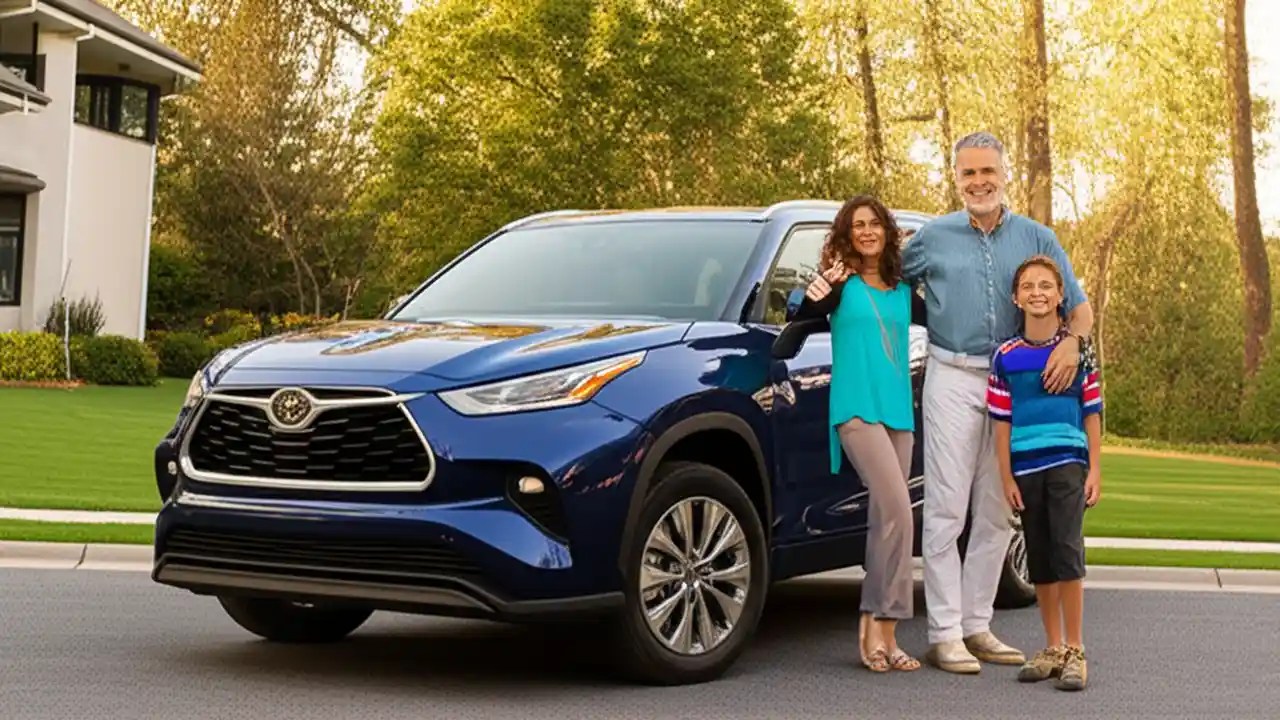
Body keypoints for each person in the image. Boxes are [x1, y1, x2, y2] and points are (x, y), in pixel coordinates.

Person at [900, 131, 1095, 674]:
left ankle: (976, 625)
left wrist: (1072, 343)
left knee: (997, 509)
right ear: (956, 177)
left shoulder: (1037, 237)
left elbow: (1077, 308)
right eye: (968, 174)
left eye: (988, 172)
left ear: (1004, 175)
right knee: (945, 506)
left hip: (1016, 384)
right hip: (953, 376)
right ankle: (943, 633)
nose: (979, 182)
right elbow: (886, 282)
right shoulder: (932, 238)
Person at [795, 194, 924, 673]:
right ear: (847, 235)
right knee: (898, 513)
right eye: (857, 226)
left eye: (874, 224)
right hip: (855, 409)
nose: (866, 231)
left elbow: (951, 325)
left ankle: (872, 626)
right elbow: (798, 318)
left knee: (885, 520)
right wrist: (811, 294)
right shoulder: (839, 284)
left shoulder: (902, 289)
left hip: (897, 412)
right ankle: (886, 629)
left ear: (888, 232)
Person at [988, 254, 1102, 692]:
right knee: (1039, 559)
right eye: (1029, 286)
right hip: (1025, 467)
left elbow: (1091, 411)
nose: (1037, 293)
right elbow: (1001, 421)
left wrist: (1095, 469)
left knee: (1066, 553)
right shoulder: (1005, 357)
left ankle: (1076, 649)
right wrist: (1006, 477)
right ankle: (1052, 647)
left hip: (1068, 464)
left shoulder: (1077, 352)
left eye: (1046, 286)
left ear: (1059, 296)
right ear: (1016, 297)